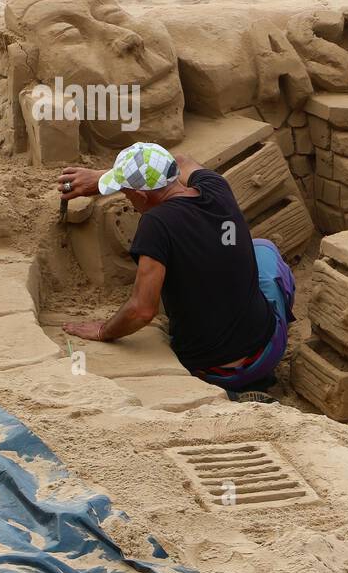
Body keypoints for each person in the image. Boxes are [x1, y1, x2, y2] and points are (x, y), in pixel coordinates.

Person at [57, 142, 294, 401]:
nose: (127, 199)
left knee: (246, 257)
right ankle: (260, 375)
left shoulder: (155, 224)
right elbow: (180, 159)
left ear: (143, 195)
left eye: (126, 193)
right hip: (269, 348)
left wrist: (103, 330)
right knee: (264, 250)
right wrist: (105, 176)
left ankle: (229, 395)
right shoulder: (216, 188)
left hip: (213, 371)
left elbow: (142, 310)